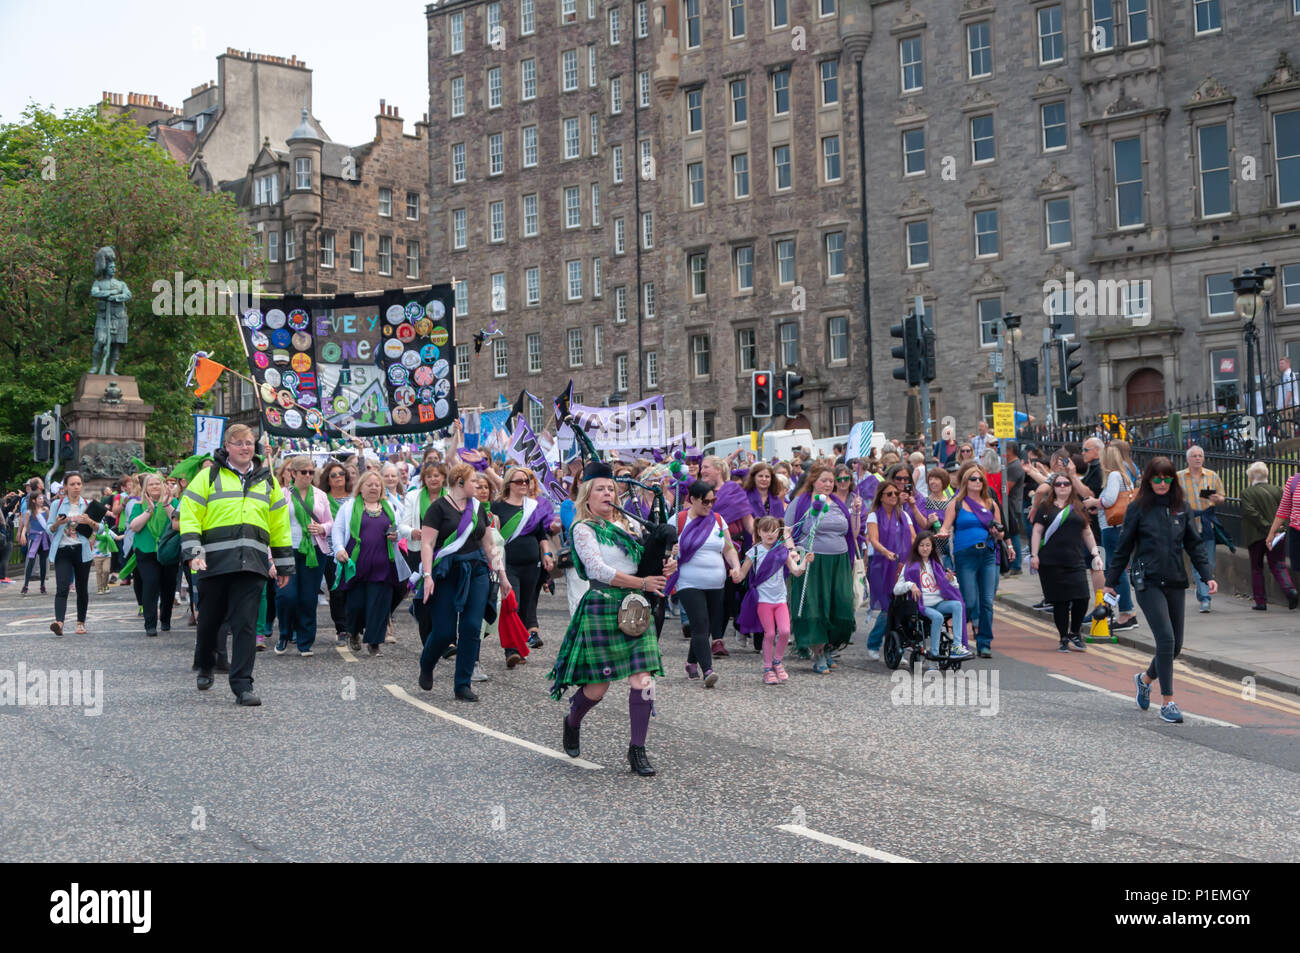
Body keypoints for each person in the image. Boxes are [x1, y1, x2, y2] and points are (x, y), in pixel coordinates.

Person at [549, 462, 673, 776]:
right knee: (597, 689)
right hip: (604, 603)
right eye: (600, 488)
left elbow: (641, 563)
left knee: (643, 681)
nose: (607, 493)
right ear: (586, 496)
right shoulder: (583, 528)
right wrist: (643, 584)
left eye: (611, 488)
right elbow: (598, 571)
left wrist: (662, 568)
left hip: (634, 606)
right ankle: (572, 720)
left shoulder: (626, 527)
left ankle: (637, 749)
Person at [181, 424, 293, 706]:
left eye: (249, 442)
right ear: (227, 446)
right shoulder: (208, 477)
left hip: (251, 564)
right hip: (213, 563)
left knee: (245, 625)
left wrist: (283, 564)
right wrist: (194, 551)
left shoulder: (268, 481)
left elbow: (279, 525)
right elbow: (190, 515)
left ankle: (243, 685)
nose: (245, 447)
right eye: (239, 442)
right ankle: (206, 665)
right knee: (210, 622)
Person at [1105, 457, 1216, 724]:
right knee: (1165, 640)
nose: (1163, 483)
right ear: (1149, 480)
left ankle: (1144, 680)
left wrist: (1207, 575)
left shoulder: (1182, 508)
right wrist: (1110, 581)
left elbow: (1195, 545)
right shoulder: (1137, 509)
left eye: (1167, 478)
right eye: (1157, 478)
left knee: (1175, 646)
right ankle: (1168, 702)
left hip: (1176, 581)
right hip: (1148, 582)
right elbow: (1123, 548)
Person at [416, 463, 502, 701]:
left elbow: (489, 546)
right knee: (443, 632)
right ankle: (427, 663)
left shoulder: (478, 508)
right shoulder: (438, 508)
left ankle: (462, 684)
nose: (479, 485)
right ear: (460, 482)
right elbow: (427, 544)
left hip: (476, 573)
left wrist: (502, 576)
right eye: (474, 481)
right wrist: (427, 576)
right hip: (446, 572)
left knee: (472, 628)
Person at [667, 480, 741, 687]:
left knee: (706, 626)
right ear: (692, 499)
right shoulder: (678, 520)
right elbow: (666, 549)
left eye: (712, 501)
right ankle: (707, 670)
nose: (709, 505)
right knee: (700, 624)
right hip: (689, 582)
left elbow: (728, 548)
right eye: (705, 501)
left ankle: (691, 662)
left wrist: (735, 566)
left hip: (716, 582)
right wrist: (671, 554)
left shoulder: (718, 520)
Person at [788, 463, 860, 673]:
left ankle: (829, 646)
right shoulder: (801, 502)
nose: (829, 484)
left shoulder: (838, 503)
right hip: (812, 560)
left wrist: (855, 513)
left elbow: (852, 534)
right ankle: (818, 652)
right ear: (813, 481)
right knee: (815, 606)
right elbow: (788, 529)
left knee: (840, 604)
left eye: (831, 481)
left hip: (838, 561)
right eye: (824, 480)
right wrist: (793, 552)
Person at [937, 466, 1012, 658]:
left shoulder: (991, 503)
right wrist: (941, 534)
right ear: (965, 482)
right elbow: (946, 527)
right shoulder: (957, 503)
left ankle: (984, 642)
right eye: (973, 479)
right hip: (965, 555)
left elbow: (1001, 531)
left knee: (987, 601)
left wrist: (998, 533)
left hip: (988, 554)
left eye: (980, 479)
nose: (977, 482)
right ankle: (959, 634)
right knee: (969, 602)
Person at [1030, 473, 1104, 652]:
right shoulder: (1045, 508)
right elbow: (1037, 532)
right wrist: (1034, 555)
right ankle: (1063, 637)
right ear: (1053, 488)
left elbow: (1087, 532)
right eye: (1058, 484)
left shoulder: (1078, 507)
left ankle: (1075, 632)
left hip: (1075, 560)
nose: (1062, 486)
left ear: (1071, 487)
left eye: (1066, 484)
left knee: (1082, 598)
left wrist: (1095, 553)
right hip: (1051, 562)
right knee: (1060, 602)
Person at [736, 516, 808, 684]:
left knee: (784, 632)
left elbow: (796, 572)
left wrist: (805, 561)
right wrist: (735, 574)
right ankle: (767, 669)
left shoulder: (783, 551)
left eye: (774, 531)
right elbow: (741, 575)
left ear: (780, 532)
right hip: (762, 600)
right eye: (766, 530)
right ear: (758, 532)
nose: (770, 534)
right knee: (769, 634)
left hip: (780, 599)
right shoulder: (753, 552)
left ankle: (777, 661)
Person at [276, 456, 333, 655]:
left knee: (308, 598)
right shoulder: (282, 494)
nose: (308, 476)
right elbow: (272, 524)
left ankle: (305, 642)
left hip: (314, 550)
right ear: (293, 473)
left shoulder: (320, 495)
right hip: (287, 549)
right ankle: (284, 633)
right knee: (287, 596)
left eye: (311, 472)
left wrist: (322, 528)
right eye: (304, 472)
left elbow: (330, 522)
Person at [893, 532, 969, 664]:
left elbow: (953, 586)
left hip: (938, 603)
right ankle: (934, 652)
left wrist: (951, 580)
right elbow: (896, 589)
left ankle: (956, 646)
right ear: (917, 547)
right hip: (922, 606)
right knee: (938, 617)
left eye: (928, 545)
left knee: (957, 605)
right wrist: (910, 585)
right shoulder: (910, 565)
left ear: (932, 547)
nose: (925, 548)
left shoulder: (936, 565)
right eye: (922, 545)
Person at [864, 477, 914, 659]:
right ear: (882, 497)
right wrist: (886, 552)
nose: (894, 496)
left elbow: (914, 537)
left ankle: (896, 644)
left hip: (901, 564)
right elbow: (874, 539)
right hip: (880, 564)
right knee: (887, 607)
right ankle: (874, 642)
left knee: (902, 605)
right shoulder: (873, 515)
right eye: (889, 494)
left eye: (896, 493)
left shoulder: (904, 515)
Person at [127, 473, 181, 637]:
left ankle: (165, 619)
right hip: (146, 551)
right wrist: (149, 511)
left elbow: (177, 522)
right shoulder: (138, 505)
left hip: (167, 551)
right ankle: (150, 623)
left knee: (168, 586)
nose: (155, 486)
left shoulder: (173, 502)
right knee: (150, 584)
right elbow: (134, 527)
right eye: (151, 484)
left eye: (158, 483)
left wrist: (166, 506)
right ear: (145, 489)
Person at [1241, 462, 1298, 610]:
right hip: (1278, 535)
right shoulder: (1278, 490)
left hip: (1256, 536)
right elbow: (1287, 510)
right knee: (1278, 564)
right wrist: (1279, 529)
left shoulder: (1247, 493)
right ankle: (1290, 590)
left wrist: (1268, 528)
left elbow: (1250, 513)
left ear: (1251, 477)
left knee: (1256, 568)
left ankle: (1260, 601)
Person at [1177, 446, 1224, 613]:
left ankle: (1201, 589)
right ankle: (1205, 598)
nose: (1198, 458)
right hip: (1189, 524)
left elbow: (1222, 497)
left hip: (1207, 523)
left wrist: (1217, 498)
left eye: (1200, 456)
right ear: (1188, 459)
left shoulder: (1212, 475)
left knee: (1208, 562)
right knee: (1197, 562)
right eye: (1194, 456)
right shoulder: (1179, 477)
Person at [48, 473, 96, 636]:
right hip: (63, 550)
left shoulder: (88, 505)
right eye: (72, 484)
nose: (76, 487)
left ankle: (80, 623)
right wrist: (57, 523)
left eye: (79, 484)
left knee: (82, 588)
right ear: (66, 487)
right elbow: (49, 528)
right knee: (62, 587)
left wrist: (88, 521)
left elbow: (101, 528)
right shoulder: (57, 504)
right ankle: (59, 622)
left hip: (82, 552)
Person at [1098, 445, 1140, 630]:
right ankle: (1127, 612)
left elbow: (1108, 500)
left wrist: (1094, 502)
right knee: (1118, 568)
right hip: (1120, 527)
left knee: (1116, 569)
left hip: (1112, 527)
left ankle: (1126, 613)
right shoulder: (1124, 476)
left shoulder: (1114, 476)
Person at [318, 460, 354, 645]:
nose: (338, 477)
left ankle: (354, 625)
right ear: (327, 479)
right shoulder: (323, 498)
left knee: (353, 590)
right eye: (333, 475)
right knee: (337, 591)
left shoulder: (355, 498)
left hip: (354, 551)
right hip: (331, 552)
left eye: (341, 474)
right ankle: (342, 627)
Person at [19, 491, 50, 594]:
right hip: (34, 538)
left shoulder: (46, 510)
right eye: (39, 498)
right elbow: (25, 526)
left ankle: (42, 585)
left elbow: (49, 525)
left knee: (43, 562)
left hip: (44, 539)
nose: (42, 500)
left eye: (42, 498)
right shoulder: (29, 512)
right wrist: (23, 534)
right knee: (31, 561)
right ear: (33, 500)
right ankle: (25, 585)